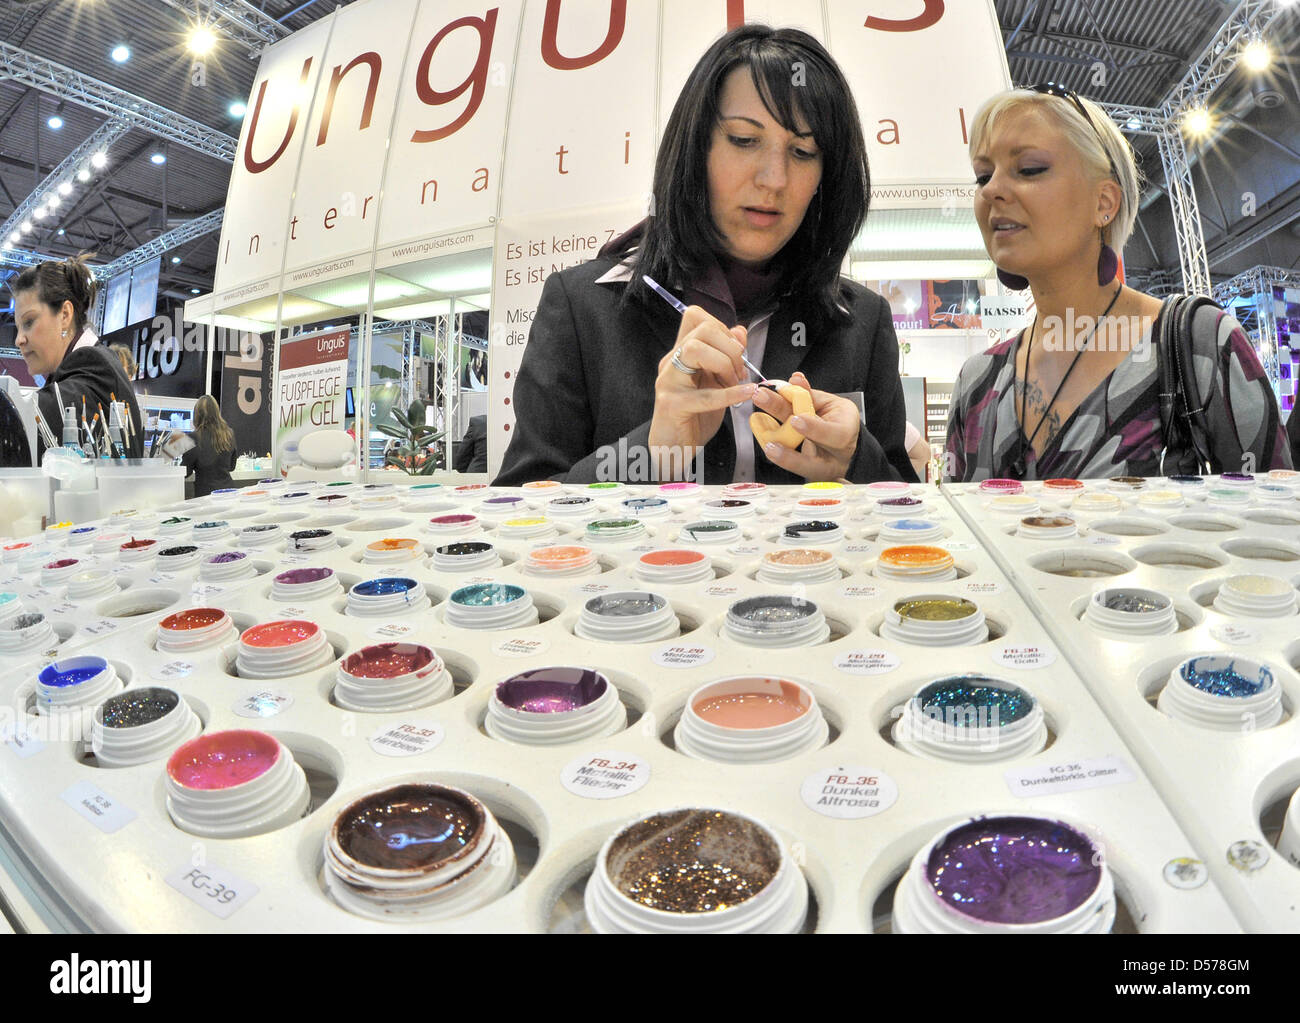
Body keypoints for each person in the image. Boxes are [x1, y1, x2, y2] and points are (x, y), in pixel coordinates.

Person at [495, 25, 914, 486]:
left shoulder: (861, 320)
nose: (774, 179)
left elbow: (908, 508)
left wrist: (856, 459)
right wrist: (653, 453)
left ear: (825, 177)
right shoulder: (581, 306)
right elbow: (519, 508)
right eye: (743, 139)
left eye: (802, 150)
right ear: (697, 148)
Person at [945, 85, 1290, 481]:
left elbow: (1275, 528)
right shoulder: (977, 384)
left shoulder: (1201, 347)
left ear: (1104, 203)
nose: (991, 190)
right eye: (983, 175)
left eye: (1029, 169)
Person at [9, 256, 143, 458]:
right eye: (18, 327)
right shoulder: (81, 369)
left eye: (29, 322)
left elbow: (36, 417)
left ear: (64, 314)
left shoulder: (94, 367)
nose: (19, 339)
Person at [181, 394, 237, 497]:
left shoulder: (191, 437)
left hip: (206, 495)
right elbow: (231, 466)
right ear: (217, 412)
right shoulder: (229, 433)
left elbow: (185, 472)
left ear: (196, 414)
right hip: (229, 492)